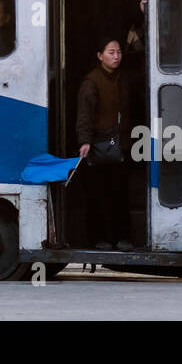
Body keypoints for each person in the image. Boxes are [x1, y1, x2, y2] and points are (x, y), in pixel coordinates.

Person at [74, 37, 134, 251]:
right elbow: (84, 115)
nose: (116, 56)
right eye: (111, 52)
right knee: (98, 195)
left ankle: (123, 238)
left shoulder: (124, 78)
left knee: (120, 194)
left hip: (121, 145)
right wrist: (85, 141)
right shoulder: (91, 82)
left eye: (118, 52)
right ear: (100, 56)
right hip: (98, 147)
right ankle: (99, 239)